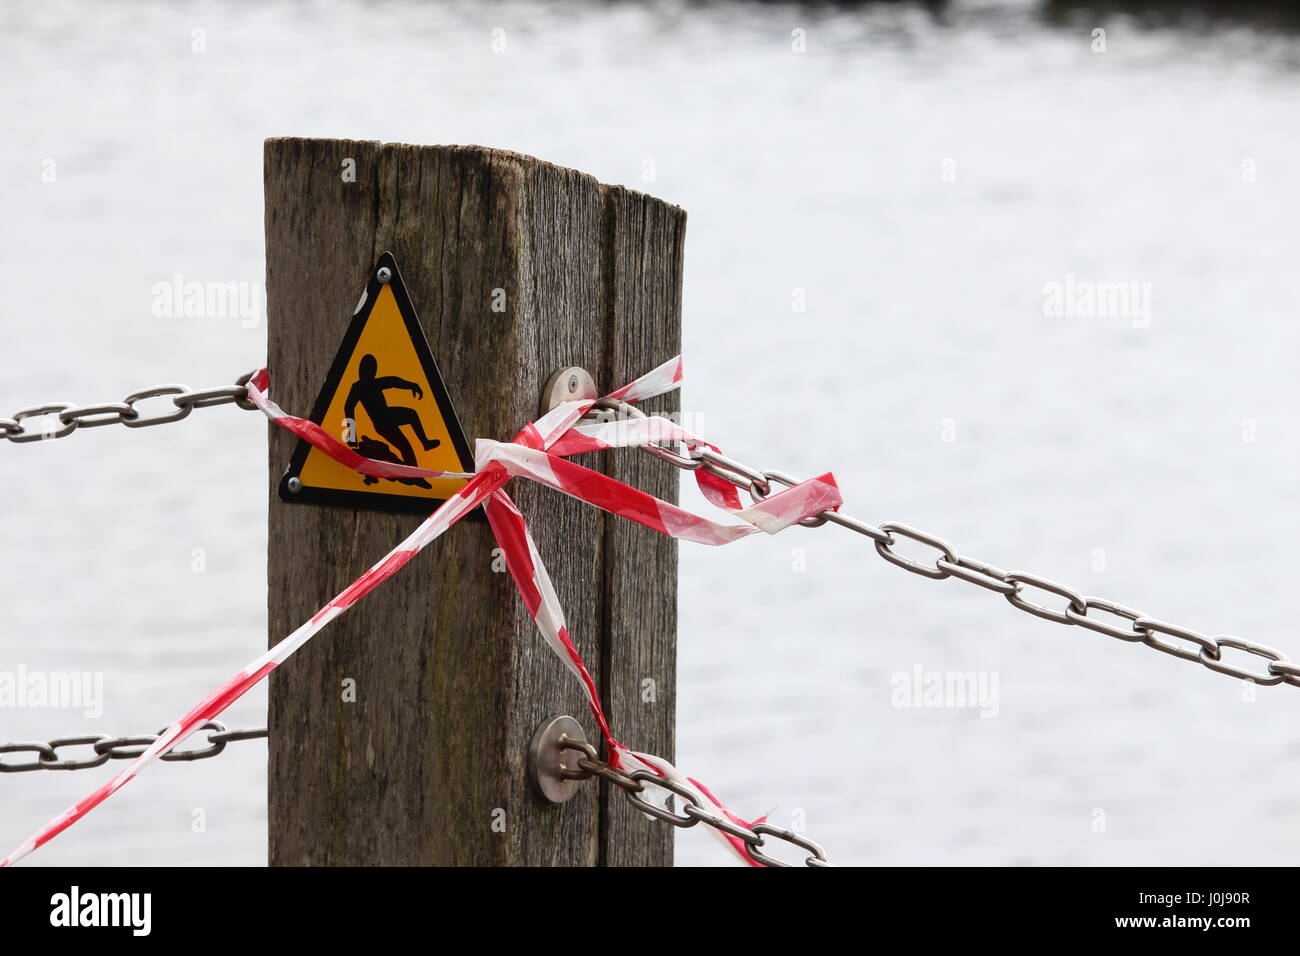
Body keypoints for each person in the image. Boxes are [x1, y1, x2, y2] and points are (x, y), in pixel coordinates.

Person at [343, 354, 440, 467]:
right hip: (382, 421)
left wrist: (412, 385)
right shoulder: (359, 386)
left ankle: (424, 445)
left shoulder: (372, 383)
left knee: (410, 419)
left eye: (372, 368)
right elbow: (348, 408)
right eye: (369, 368)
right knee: (406, 445)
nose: (371, 371)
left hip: (387, 416)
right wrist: (352, 434)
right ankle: (413, 466)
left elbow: (393, 381)